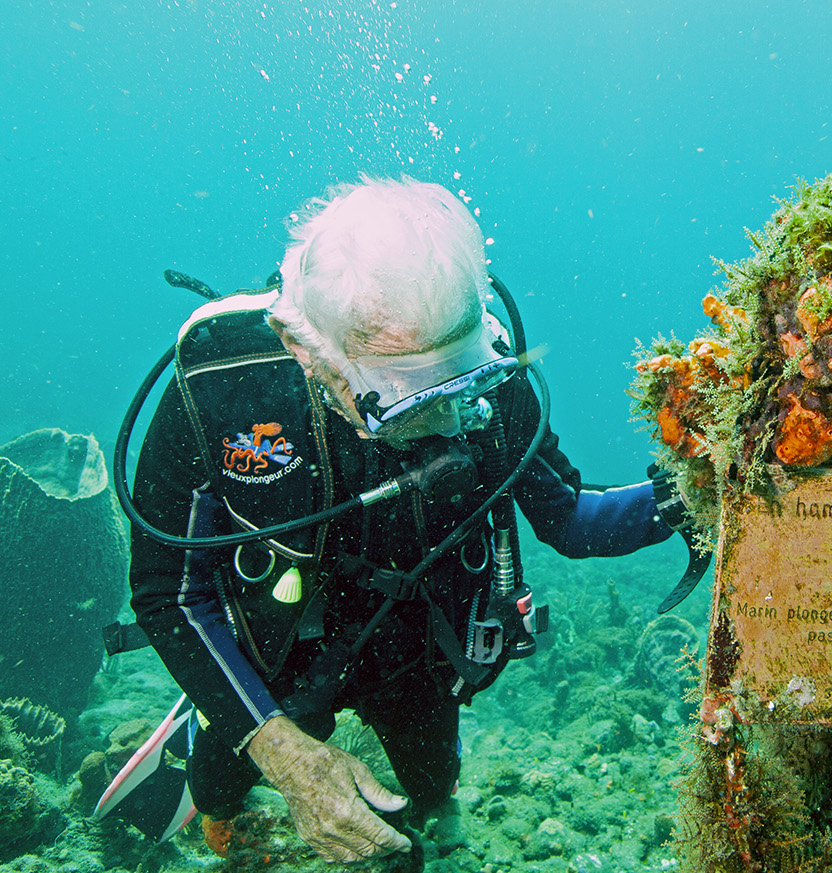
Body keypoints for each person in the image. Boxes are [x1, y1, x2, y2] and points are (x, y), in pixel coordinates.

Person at [120, 177, 675, 862]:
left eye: (462, 378)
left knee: (435, 791)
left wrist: (693, 493)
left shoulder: (496, 383)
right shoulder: (224, 384)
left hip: (416, 641)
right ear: (309, 351)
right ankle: (211, 738)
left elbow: (571, 518)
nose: (448, 419)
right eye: (409, 395)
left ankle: (427, 796)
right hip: (275, 651)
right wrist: (283, 751)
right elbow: (166, 591)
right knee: (220, 797)